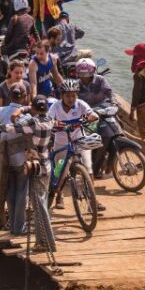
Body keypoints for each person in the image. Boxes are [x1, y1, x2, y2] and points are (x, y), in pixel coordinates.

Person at [0, 95, 56, 250]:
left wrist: (20, 110)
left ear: (34, 108)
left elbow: (11, 126)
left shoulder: (32, 122)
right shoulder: (50, 120)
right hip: (47, 166)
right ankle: (42, 241)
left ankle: (46, 242)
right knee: (42, 203)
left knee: (39, 207)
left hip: (35, 168)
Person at [47, 79, 100, 210]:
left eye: (73, 95)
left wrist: (92, 117)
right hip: (61, 144)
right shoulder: (55, 107)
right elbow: (48, 119)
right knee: (59, 171)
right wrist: (54, 123)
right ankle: (59, 195)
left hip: (79, 140)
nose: (71, 99)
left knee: (88, 167)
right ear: (62, 96)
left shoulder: (81, 104)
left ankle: (93, 200)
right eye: (67, 96)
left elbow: (92, 113)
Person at [0, 83, 29, 235]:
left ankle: (12, 225)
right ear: (25, 97)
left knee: (10, 191)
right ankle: (19, 227)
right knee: (21, 193)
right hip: (21, 160)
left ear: (9, 96)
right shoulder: (26, 116)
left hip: (4, 160)